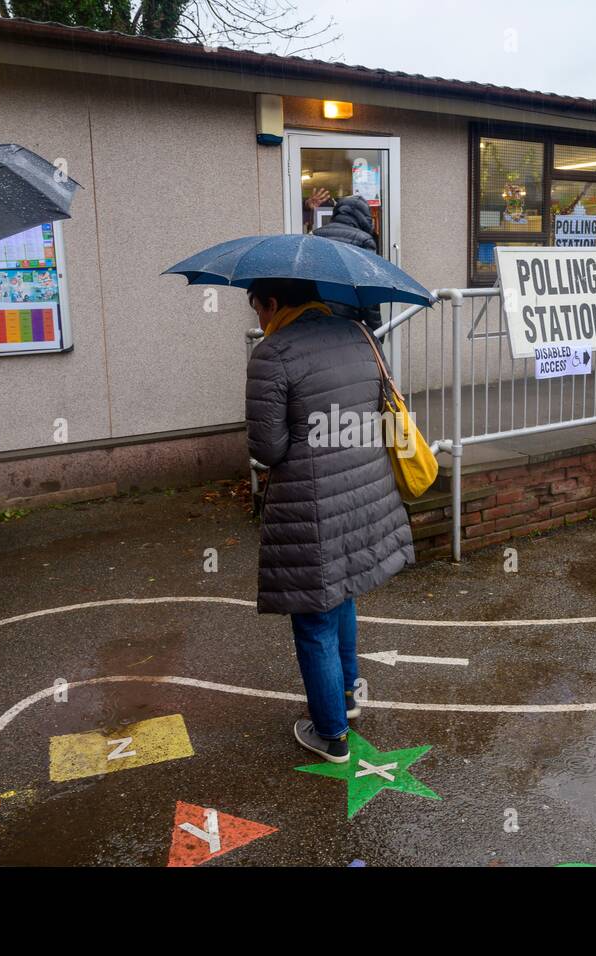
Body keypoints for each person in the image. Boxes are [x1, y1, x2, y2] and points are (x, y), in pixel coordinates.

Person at [245, 277, 415, 763]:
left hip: (311, 506)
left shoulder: (272, 354)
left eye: (258, 308)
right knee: (341, 597)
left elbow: (267, 448)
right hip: (364, 493)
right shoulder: (358, 334)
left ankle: (331, 734)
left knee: (314, 619)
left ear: (273, 303)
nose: (259, 319)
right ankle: (345, 700)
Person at [310, 194, 385, 335]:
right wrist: (377, 329)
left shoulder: (315, 235)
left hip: (313, 319)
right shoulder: (364, 241)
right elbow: (368, 288)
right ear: (365, 217)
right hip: (346, 321)